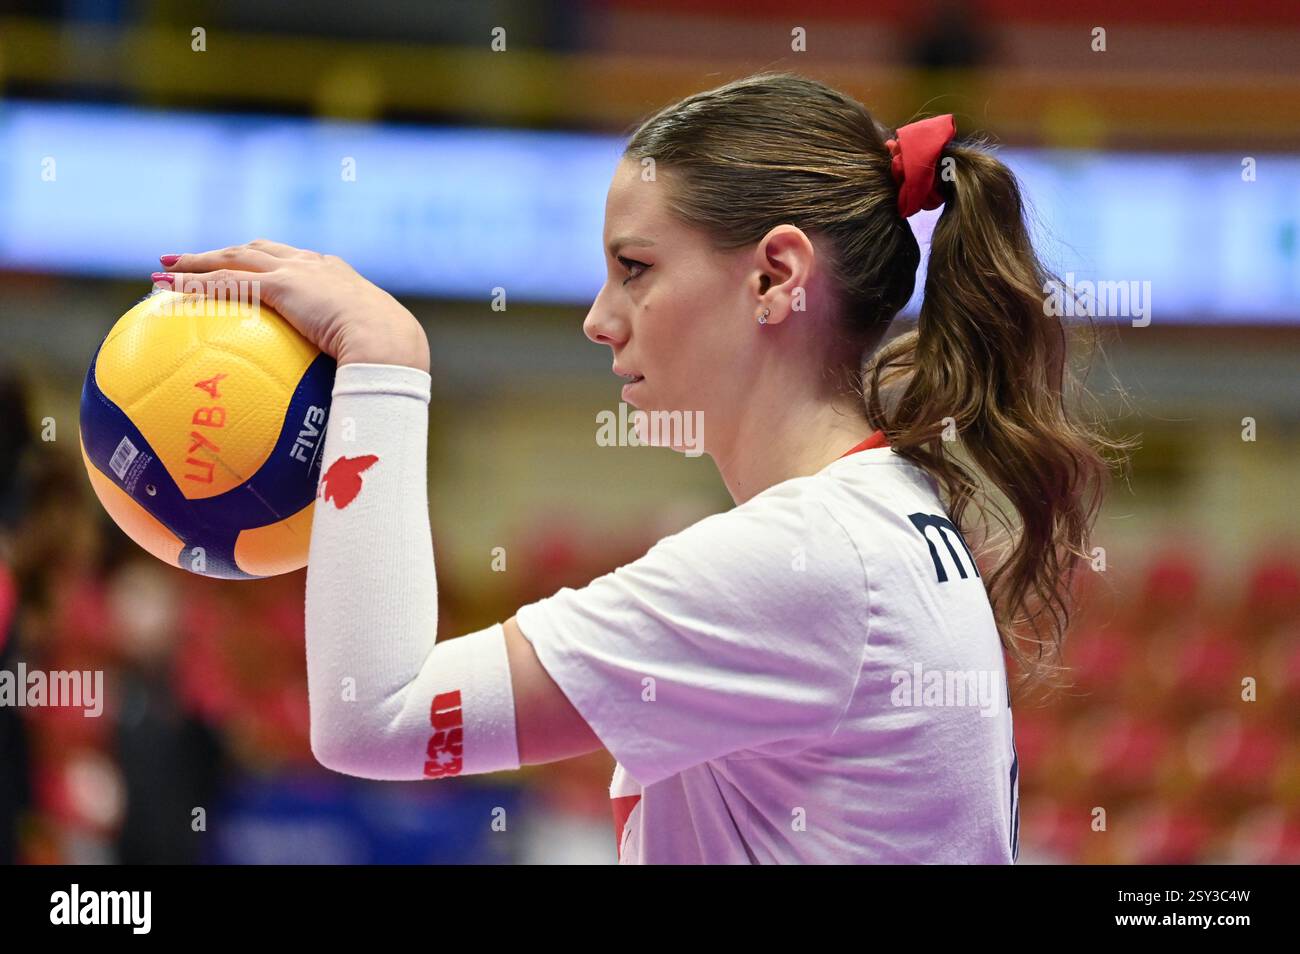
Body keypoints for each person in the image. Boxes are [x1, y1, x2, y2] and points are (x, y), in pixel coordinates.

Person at [153, 72, 1116, 864]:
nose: (598, 318)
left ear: (776, 277)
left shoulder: (809, 558)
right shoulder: (882, 516)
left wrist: (384, 362)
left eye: (636, 268)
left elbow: (374, 718)